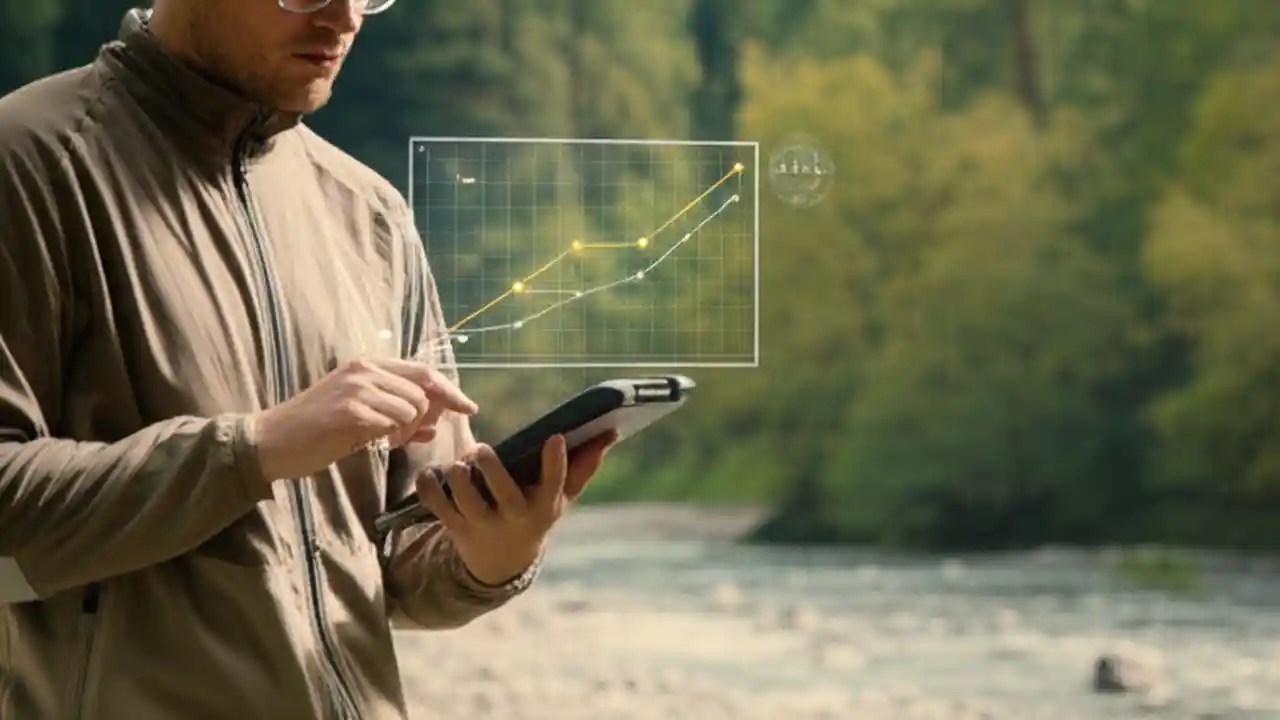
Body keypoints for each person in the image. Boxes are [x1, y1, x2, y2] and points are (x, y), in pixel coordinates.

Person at [0, 2, 616, 718]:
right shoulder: (28, 163)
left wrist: (494, 552)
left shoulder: (371, 214)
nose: (342, 16)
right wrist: (255, 449)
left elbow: (405, 570)